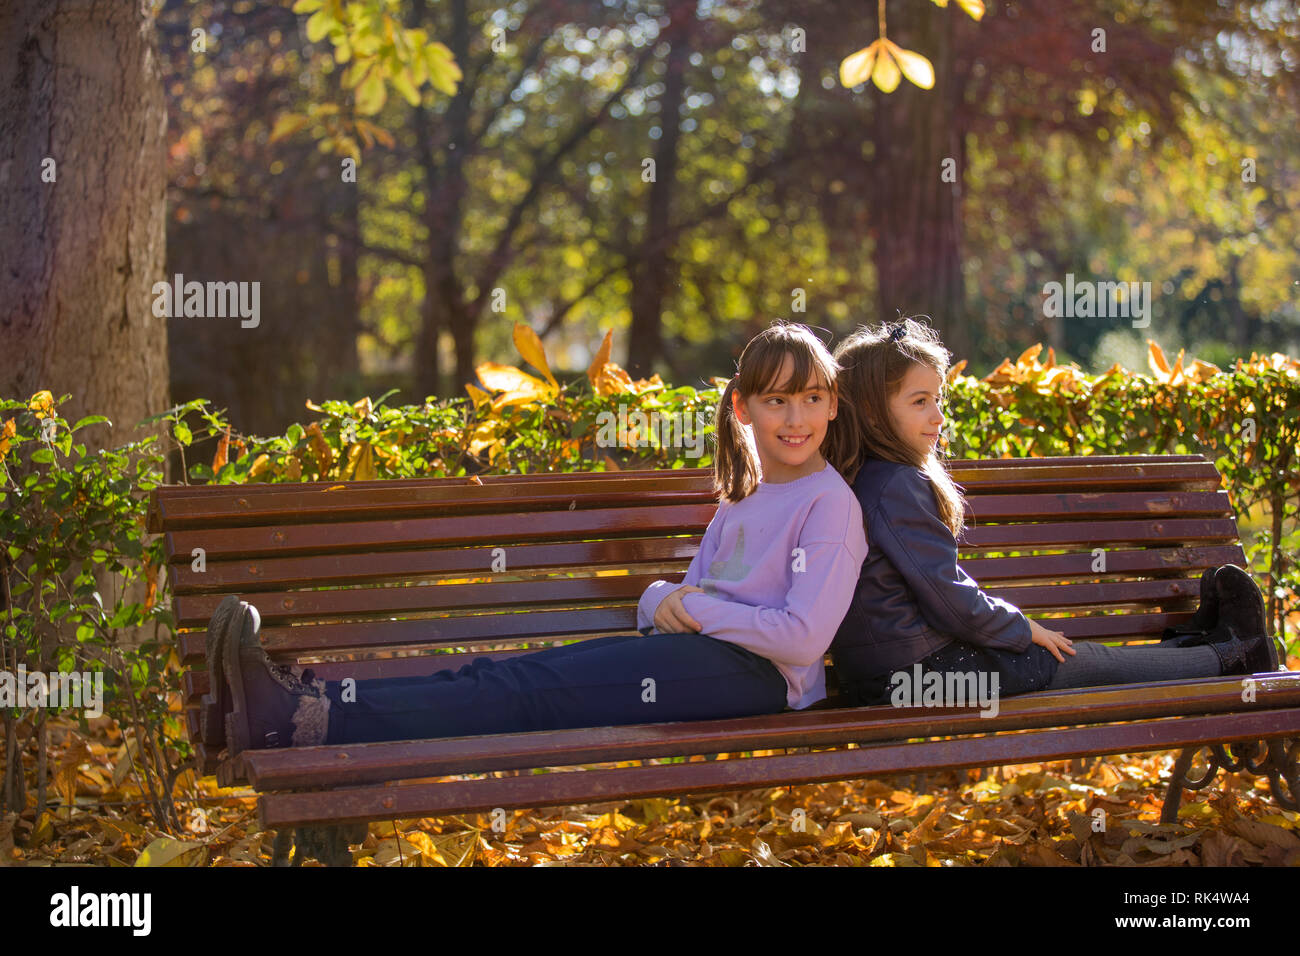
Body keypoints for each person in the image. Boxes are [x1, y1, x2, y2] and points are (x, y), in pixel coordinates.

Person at [209, 321, 869, 757]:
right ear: (741, 409)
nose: (796, 417)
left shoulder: (829, 506)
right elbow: (683, 599)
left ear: (834, 405)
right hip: (706, 662)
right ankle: (305, 706)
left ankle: (303, 724)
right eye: (776, 401)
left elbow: (803, 637)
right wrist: (661, 597)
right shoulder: (743, 500)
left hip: (758, 682)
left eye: (811, 399)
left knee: (530, 691)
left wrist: (691, 608)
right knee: (507, 672)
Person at [827, 318, 1281, 708]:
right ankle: (1232, 656)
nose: (939, 416)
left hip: (889, 673)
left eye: (938, 398)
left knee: (1069, 659)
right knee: (1072, 660)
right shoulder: (896, 484)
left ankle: (1197, 649)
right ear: (870, 410)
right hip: (917, 676)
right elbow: (948, 597)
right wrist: (1023, 629)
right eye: (919, 401)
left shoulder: (865, 476)